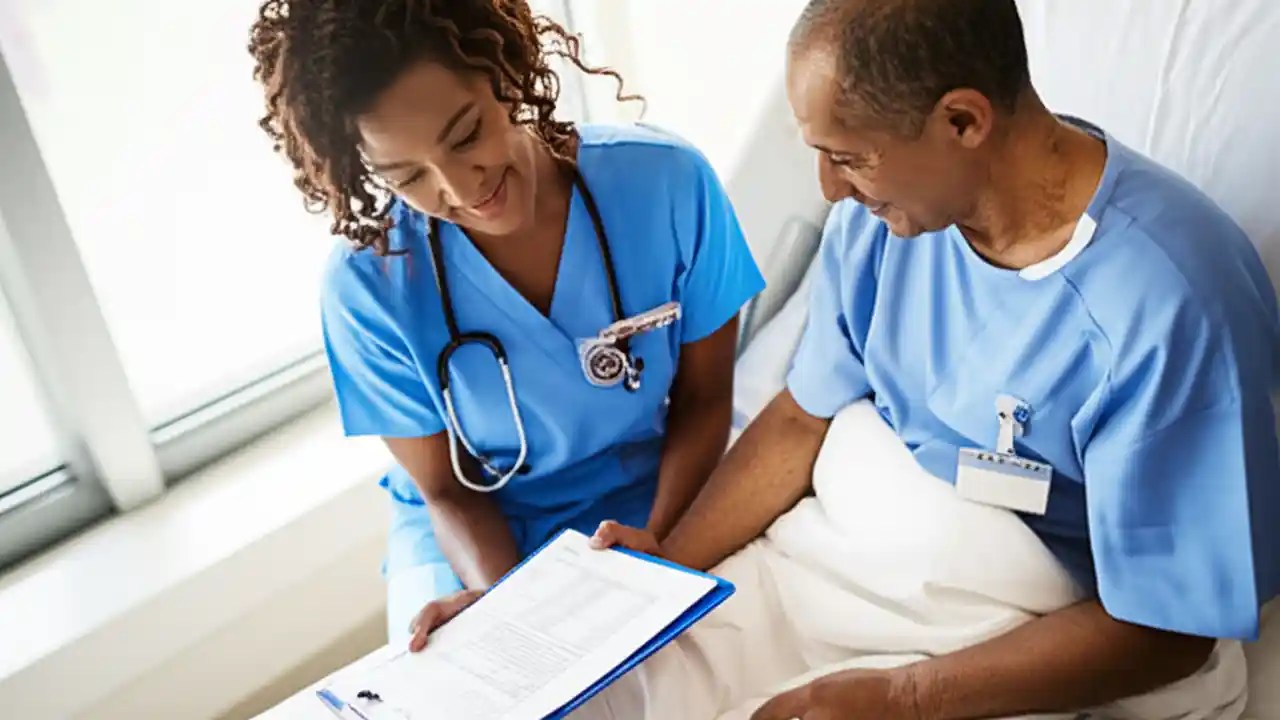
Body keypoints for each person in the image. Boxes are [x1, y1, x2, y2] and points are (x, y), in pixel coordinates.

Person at [453, 0, 1275, 717]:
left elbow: (1169, 631)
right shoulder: (893, 222)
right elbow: (799, 416)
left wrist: (908, 701)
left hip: (1007, 631)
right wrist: (665, 573)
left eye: (847, 155)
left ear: (962, 121)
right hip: (828, 561)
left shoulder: (1167, 304)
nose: (829, 189)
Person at [247, 0, 764, 646]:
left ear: (501, 70)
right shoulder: (367, 291)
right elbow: (444, 492)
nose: (460, 188)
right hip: (472, 536)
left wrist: (662, 546)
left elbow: (705, 396)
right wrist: (511, 608)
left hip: (651, 489)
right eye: (406, 176)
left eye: (465, 135)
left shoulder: (664, 184)